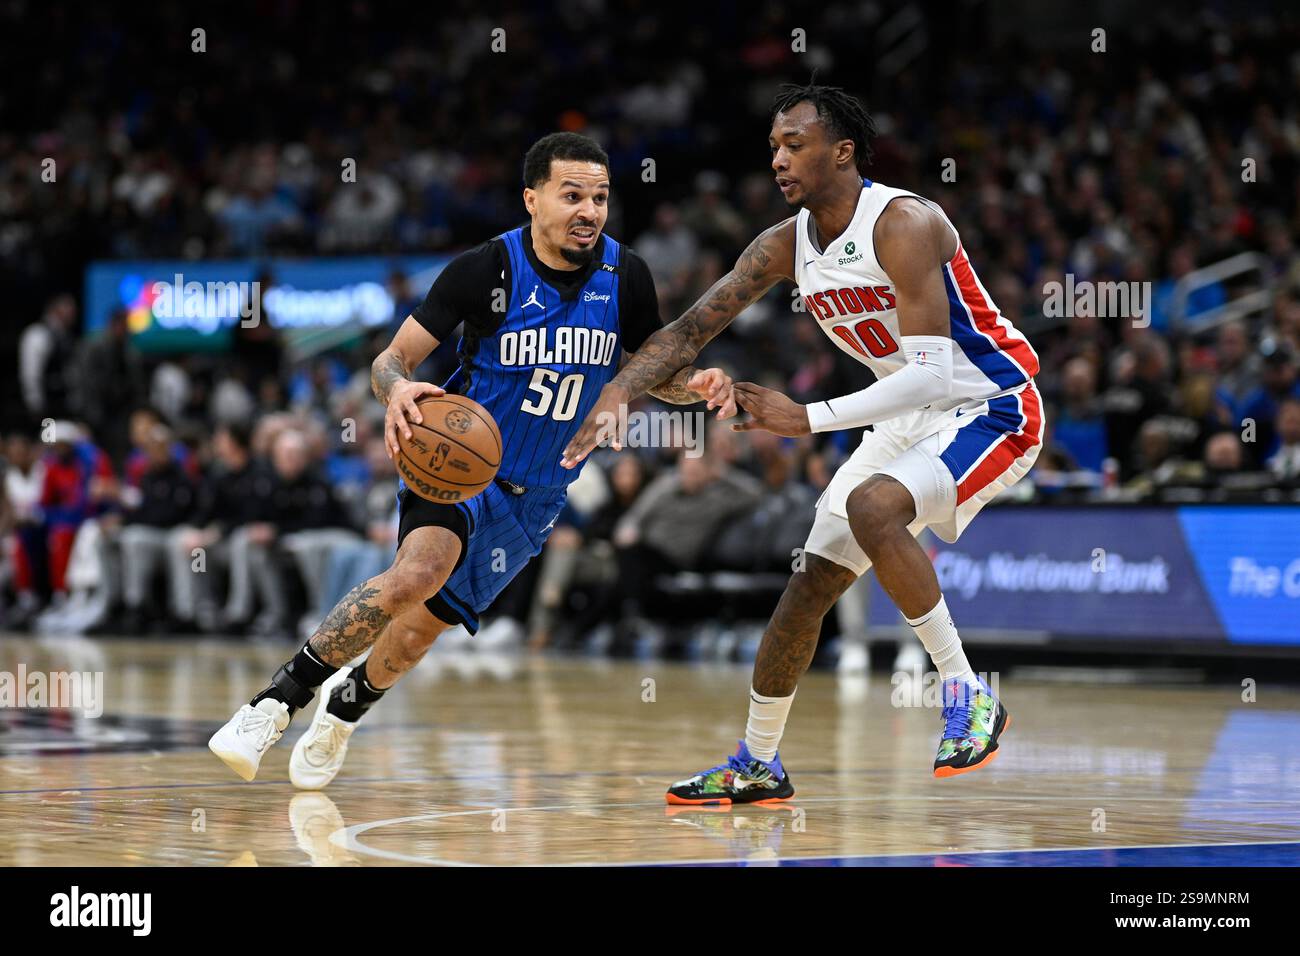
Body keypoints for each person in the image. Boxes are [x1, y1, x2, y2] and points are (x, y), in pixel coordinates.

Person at [563, 83, 1044, 802]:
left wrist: (804, 418)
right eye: (773, 148)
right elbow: (689, 332)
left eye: (795, 145)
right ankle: (757, 761)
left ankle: (968, 693)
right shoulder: (784, 245)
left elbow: (929, 373)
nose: (779, 161)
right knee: (809, 584)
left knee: (873, 510)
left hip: (989, 405)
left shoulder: (904, 221)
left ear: (842, 152)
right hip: (905, 415)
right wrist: (621, 391)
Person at [208, 132, 735, 785]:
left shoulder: (625, 276)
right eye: (572, 195)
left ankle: (344, 710)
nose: (589, 210)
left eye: (599, 197)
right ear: (532, 198)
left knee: (420, 632)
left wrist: (695, 387)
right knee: (415, 575)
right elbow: (390, 359)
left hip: (539, 491)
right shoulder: (485, 270)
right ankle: (274, 703)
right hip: (457, 465)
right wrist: (397, 389)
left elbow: (651, 369)